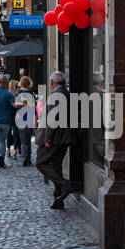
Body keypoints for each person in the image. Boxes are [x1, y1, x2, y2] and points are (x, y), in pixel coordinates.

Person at [35, 71, 78, 209]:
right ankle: (58, 199)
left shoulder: (56, 95)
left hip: (55, 138)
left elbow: (51, 119)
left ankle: (66, 184)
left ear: (52, 83)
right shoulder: (67, 93)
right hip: (64, 138)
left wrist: (47, 138)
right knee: (56, 166)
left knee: (41, 163)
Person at [0, 73, 18, 169]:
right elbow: (14, 105)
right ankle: (3, 161)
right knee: (2, 141)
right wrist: (24, 104)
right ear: (6, 83)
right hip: (6, 121)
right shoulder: (9, 94)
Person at [14, 75, 36, 165]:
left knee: (23, 142)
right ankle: (29, 158)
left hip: (21, 121)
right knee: (28, 141)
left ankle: (24, 158)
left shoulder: (19, 95)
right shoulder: (31, 95)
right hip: (30, 120)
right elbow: (34, 111)